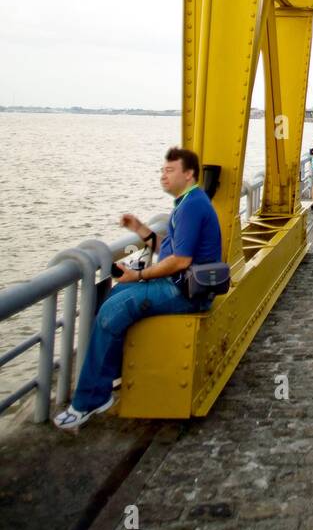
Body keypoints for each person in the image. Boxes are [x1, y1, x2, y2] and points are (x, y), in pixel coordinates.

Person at [53, 148, 222, 431]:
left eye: (170, 171)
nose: (163, 176)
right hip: (182, 285)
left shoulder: (192, 205)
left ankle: (89, 401)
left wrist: (138, 275)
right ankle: (109, 376)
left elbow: (180, 261)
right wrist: (140, 229)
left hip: (189, 293)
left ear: (189, 174)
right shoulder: (187, 202)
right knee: (115, 296)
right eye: (162, 171)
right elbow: (168, 250)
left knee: (113, 309)